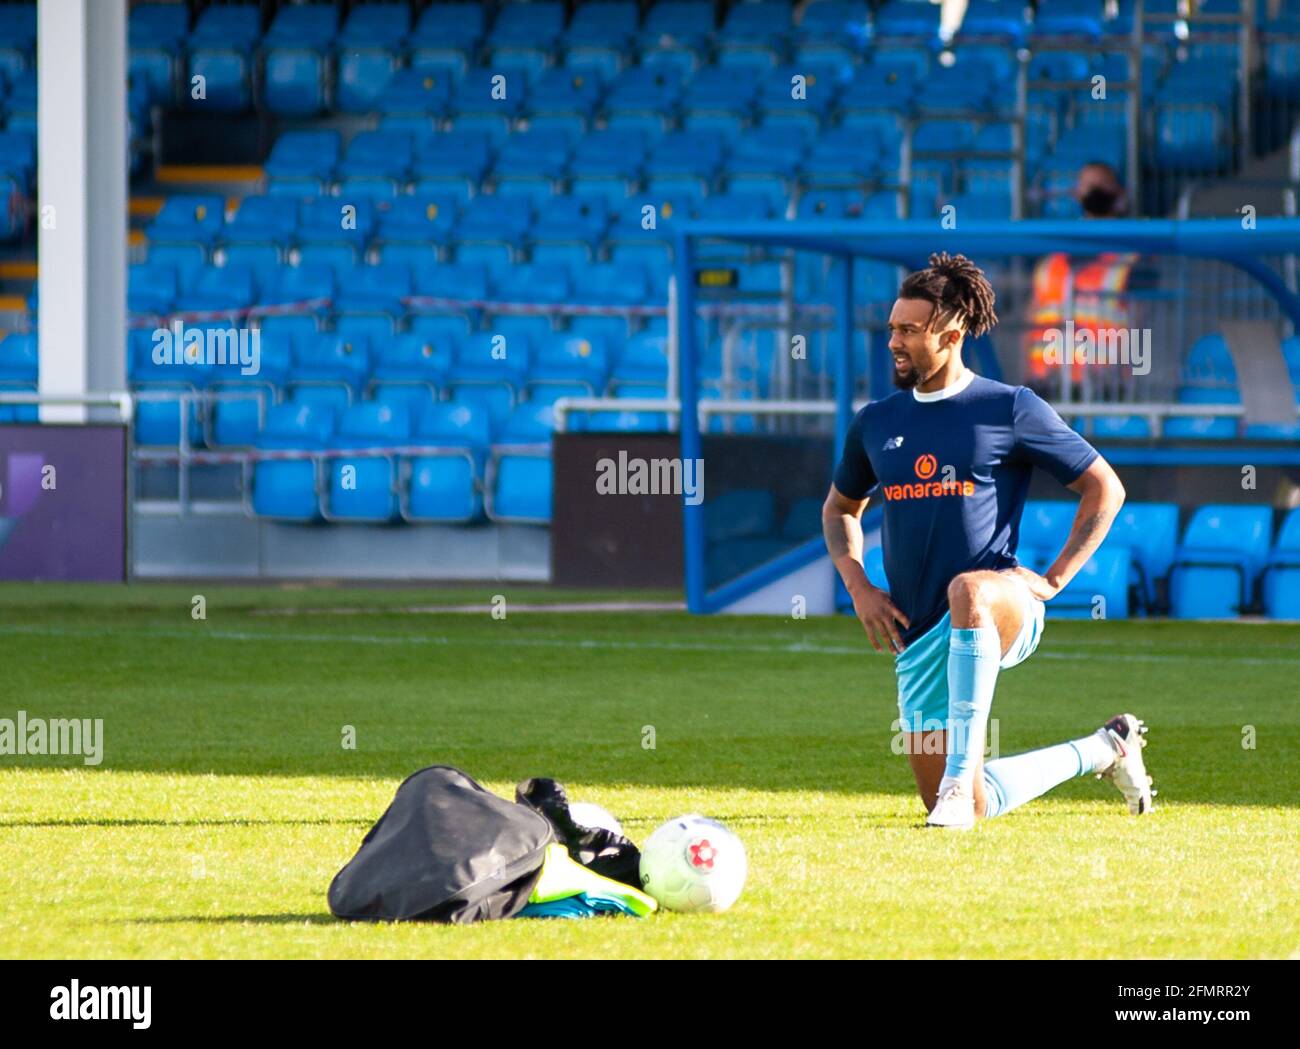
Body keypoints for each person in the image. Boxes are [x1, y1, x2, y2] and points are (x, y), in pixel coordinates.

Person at [822, 252, 1156, 829]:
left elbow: (1105, 488)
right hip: (917, 632)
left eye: (908, 330)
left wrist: (1052, 580)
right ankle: (1106, 749)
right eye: (892, 329)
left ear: (950, 335)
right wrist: (858, 586)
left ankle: (958, 778)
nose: (893, 342)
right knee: (971, 809)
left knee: (968, 590)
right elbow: (839, 510)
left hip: (1000, 604)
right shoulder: (875, 420)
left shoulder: (1010, 407)